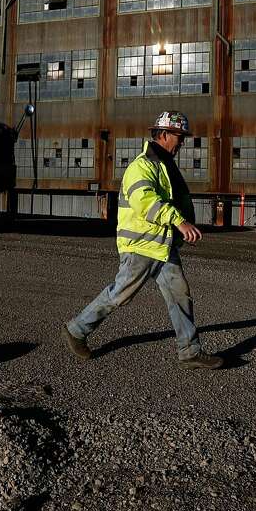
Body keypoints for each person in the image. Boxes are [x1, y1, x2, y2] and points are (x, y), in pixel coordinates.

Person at [62, 111, 223, 369]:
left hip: (162, 246)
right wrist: (179, 222)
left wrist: (180, 229)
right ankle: (77, 330)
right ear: (163, 135)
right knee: (120, 294)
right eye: (178, 136)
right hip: (141, 245)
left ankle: (189, 351)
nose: (182, 142)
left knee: (180, 295)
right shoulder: (142, 166)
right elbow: (146, 201)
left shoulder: (164, 166)